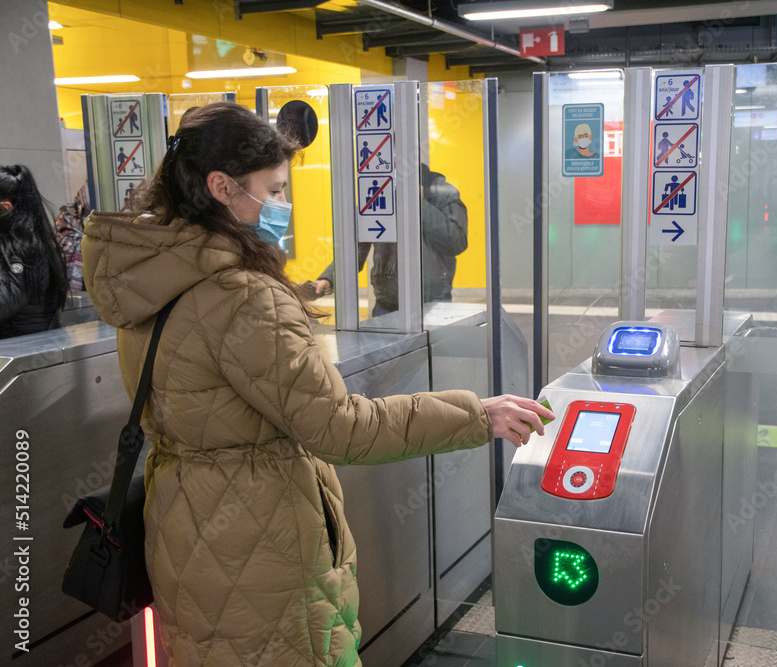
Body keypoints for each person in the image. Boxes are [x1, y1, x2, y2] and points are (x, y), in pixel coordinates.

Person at [81, 102, 552, 666]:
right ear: (222, 187)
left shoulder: (153, 275)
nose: (282, 205)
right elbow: (339, 426)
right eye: (273, 190)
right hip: (261, 542)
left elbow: (202, 364)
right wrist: (476, 414)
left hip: (184, 523)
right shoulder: (242, 296)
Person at [312, 164, 468, 315]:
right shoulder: (377, 190)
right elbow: (356, 248)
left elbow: (456, 242)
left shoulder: (439, 190)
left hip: (433, 305)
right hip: (386, 307)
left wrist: (420, 205)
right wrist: (327, 279)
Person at [0, 165, 68, 339]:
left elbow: (8, 301)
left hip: (19, 349)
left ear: (5, 208)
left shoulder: (21, 247)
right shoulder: (30, 240)